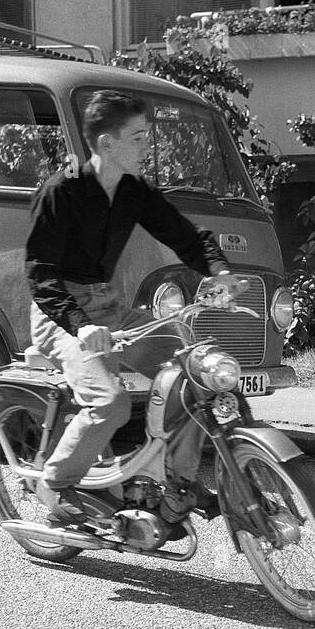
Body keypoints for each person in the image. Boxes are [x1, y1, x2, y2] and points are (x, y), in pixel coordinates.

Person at [25, 89, 235, 532]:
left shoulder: (133, 192)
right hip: (59, 315)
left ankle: (177, 482)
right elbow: (41, 275)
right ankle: (55, 482)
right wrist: (80, 328)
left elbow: (185, 235)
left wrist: (217, 271)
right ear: (107, 144)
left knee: (196, 371)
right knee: (112, 403)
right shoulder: (61, 192)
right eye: (138, 138)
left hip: (110, 307)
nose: (147, 147)